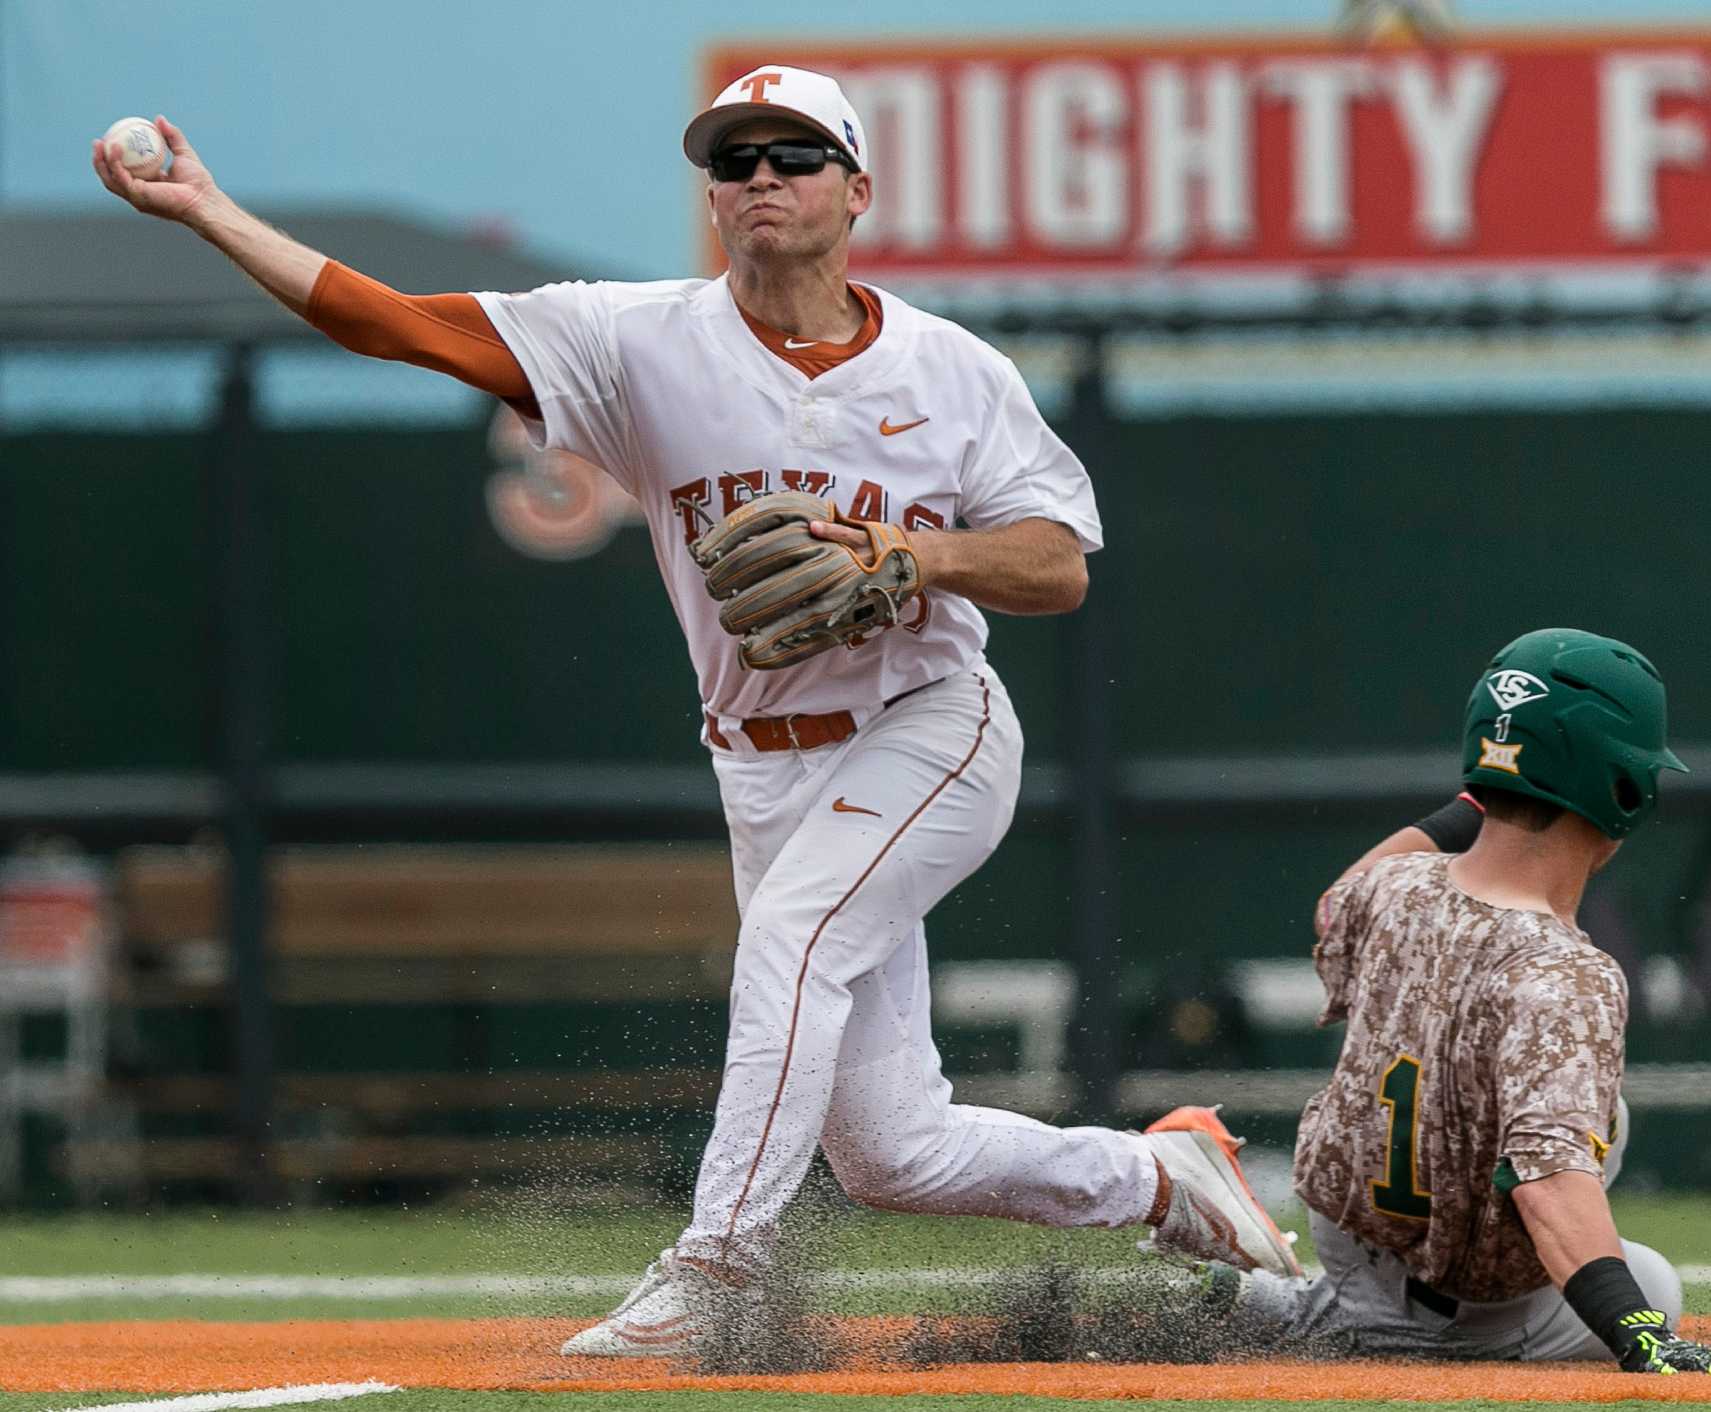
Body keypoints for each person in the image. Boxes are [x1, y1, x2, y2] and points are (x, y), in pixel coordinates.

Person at [91, 64, 1299, 1358]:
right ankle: (1168, 1182)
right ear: (714, 196)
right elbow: (394, 323)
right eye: (735, 160)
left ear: (856, 189)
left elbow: (1056, 562)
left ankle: (719, 1265)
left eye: (793, 153)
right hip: (764, 772)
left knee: (792, 937)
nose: (763, 177)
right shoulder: (637, 343)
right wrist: (212, 210)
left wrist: (917, 556)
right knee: (895, 1151)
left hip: (933, 724)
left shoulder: (953, 371)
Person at [1196, 628, 1711, 1374]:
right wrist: (1639, 1332)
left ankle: (1319, 1307)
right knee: (1650, 1274)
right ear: (1624, 787)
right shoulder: (1567, 972)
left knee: (1559, 1124)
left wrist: (1486, 794)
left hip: (1346, 1228)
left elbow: (1336, 902)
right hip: (1460, 1290)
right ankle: (1351, 1327)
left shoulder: (1392, 888)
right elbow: (1548, 1172)